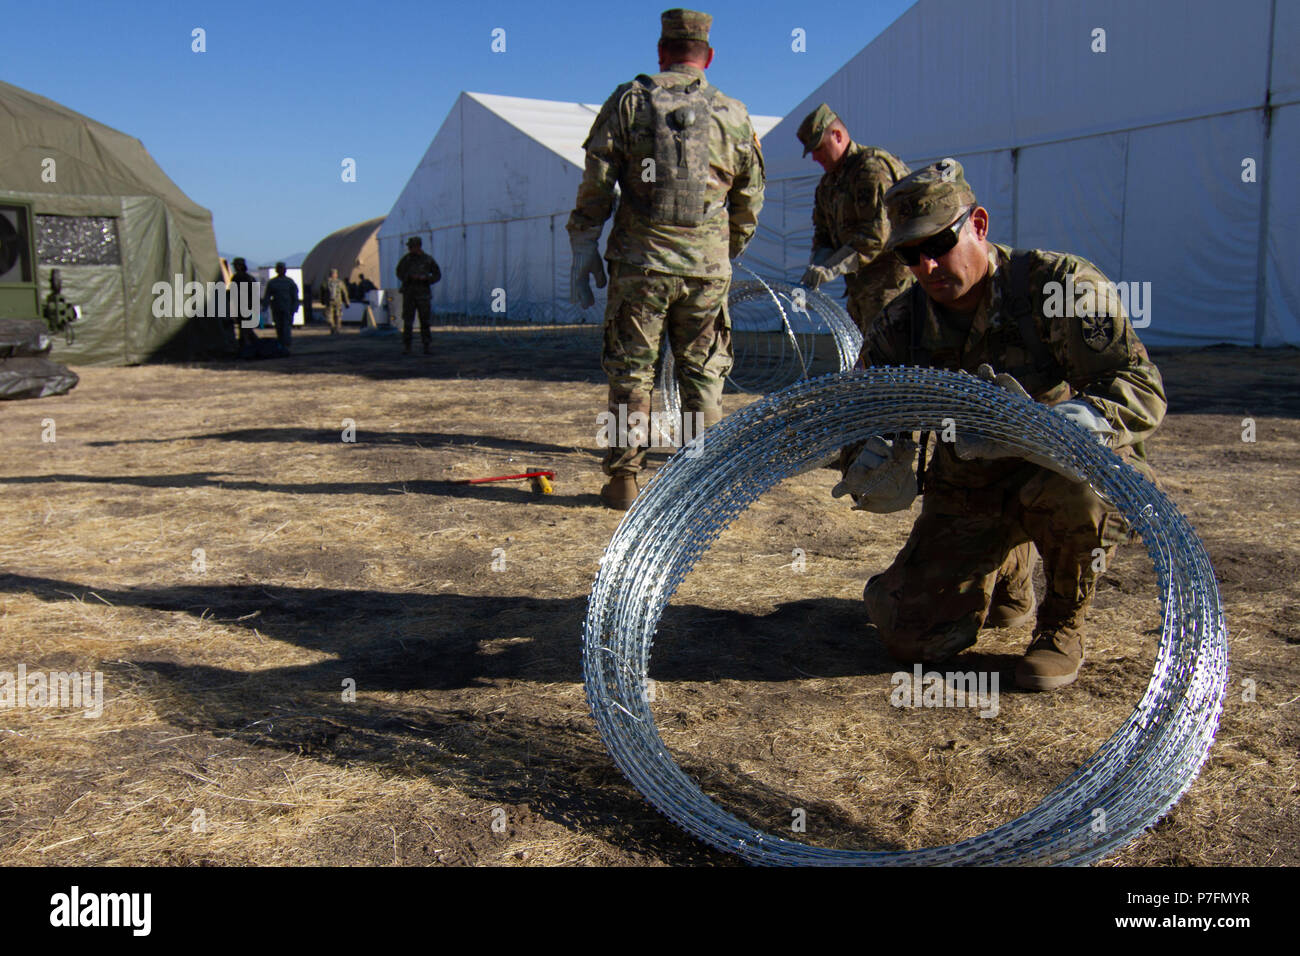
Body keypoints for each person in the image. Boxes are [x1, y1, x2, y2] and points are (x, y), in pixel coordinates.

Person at [835, 158, 1166, 691]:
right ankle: (1008, 567)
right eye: (910, 254)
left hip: (1056, 471)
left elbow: (1139, 385)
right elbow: (861, 414)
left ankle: (1061, 623)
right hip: (969, 485)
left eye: (939, 244)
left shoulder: (1057, 286)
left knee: (1084, 492)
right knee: (908, 639)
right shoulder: (901, 326)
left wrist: (1062, 427)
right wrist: (872, 459)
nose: (926, 266)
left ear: (979, 225)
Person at [567, 7, 765, 510]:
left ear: (661, 51)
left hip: (642, 265)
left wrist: (584, 243)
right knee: (702, 375)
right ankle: (700, 485)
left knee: (630, 375)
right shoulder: (735, 113)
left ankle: (623, 480)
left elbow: (597, 179)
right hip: (704, 272)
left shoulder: (631, 101)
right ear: (709, 56)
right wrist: (722, 250)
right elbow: (750, 199)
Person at [796, 103, 911, 336]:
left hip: (889, 287)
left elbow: (875, 236)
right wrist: (815, 270)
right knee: (862, 357)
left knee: (888, 359)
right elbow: (823, 234)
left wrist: (829, 269)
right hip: (859, 290)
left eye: (818, 148)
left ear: (837, 136)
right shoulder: (828, 185)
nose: (815, 157)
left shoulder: (871, 169)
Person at [394, 237, 441, 354]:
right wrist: (408, 278)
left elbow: (437, 275)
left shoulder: (427, 260)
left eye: (411, 246)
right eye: (409, 247)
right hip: (409, 294)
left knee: (425, 321)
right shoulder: (406, 260)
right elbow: (399, 272)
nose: (409, 249)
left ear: (418, 246)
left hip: (423, 294)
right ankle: (407, 346)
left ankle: (426, 345)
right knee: (408, 321)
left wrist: (425, 279)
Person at [262, 261, 299, 354]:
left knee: (286, 327)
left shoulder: (290, 282)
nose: (281, 270)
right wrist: (265, 307)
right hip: (277, 308)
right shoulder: (272, 282)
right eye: (279, 268)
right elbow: (267, 295)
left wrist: (295, 307)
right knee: (279, 327)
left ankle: (286, 344)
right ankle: (281, 344)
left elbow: (295, 296)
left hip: (288, 308)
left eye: (282, 268)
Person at [228, 258, 260, 358]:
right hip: (245, 306)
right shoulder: (249, 277)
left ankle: (247, 350)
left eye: (236, 265)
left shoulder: (238, 277)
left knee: (245, 330)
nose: (235, 267)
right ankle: (254, 347)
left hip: (243, 306)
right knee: (246, 328)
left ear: (241, 266)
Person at [321, 267, 350, 335]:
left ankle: (332, 327)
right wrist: (347, 302)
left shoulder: (325, 283)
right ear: (336, 274)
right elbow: (344, 293)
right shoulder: (340, 283)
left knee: (329, 316)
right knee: (338, 315)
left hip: (329, 302)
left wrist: (322, 301)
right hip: (338, 302)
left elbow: (322, 292)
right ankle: (337, 328)